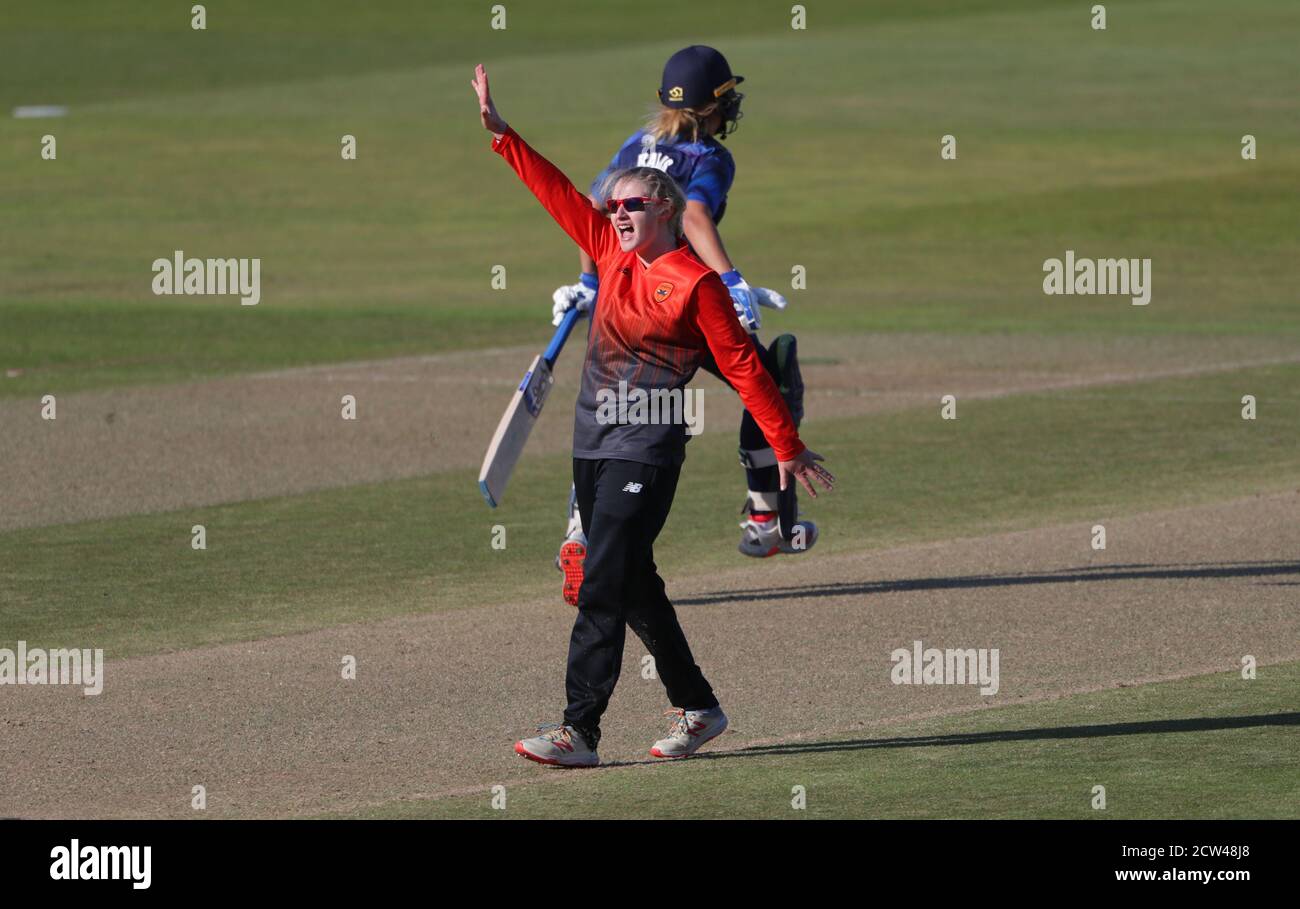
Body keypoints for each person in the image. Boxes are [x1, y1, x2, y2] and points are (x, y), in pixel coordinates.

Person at [471, 64, 835, 765]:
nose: (619, 215)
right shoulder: (608, 251)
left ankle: (579, 730)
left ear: (665, 210)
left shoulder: (694, 286)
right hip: (592, 438)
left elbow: (743, 368)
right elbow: (556, 194)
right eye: (615, 208)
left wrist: (786, 444)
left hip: (649, 447)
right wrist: (502, 135)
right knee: (635, 582)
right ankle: (698, 705)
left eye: (633, 206)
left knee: (602, 579)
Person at [551, 46, 817, 607]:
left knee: (618, 414)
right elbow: (693, 216)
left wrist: (591, 283)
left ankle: (581, 532)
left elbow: (592, 208)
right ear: (715, 105)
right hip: (686, 302)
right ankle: (765, 521)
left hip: (627, 303)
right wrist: (733, 281)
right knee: (767, 379)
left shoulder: (634, 147)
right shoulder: (709, 157)